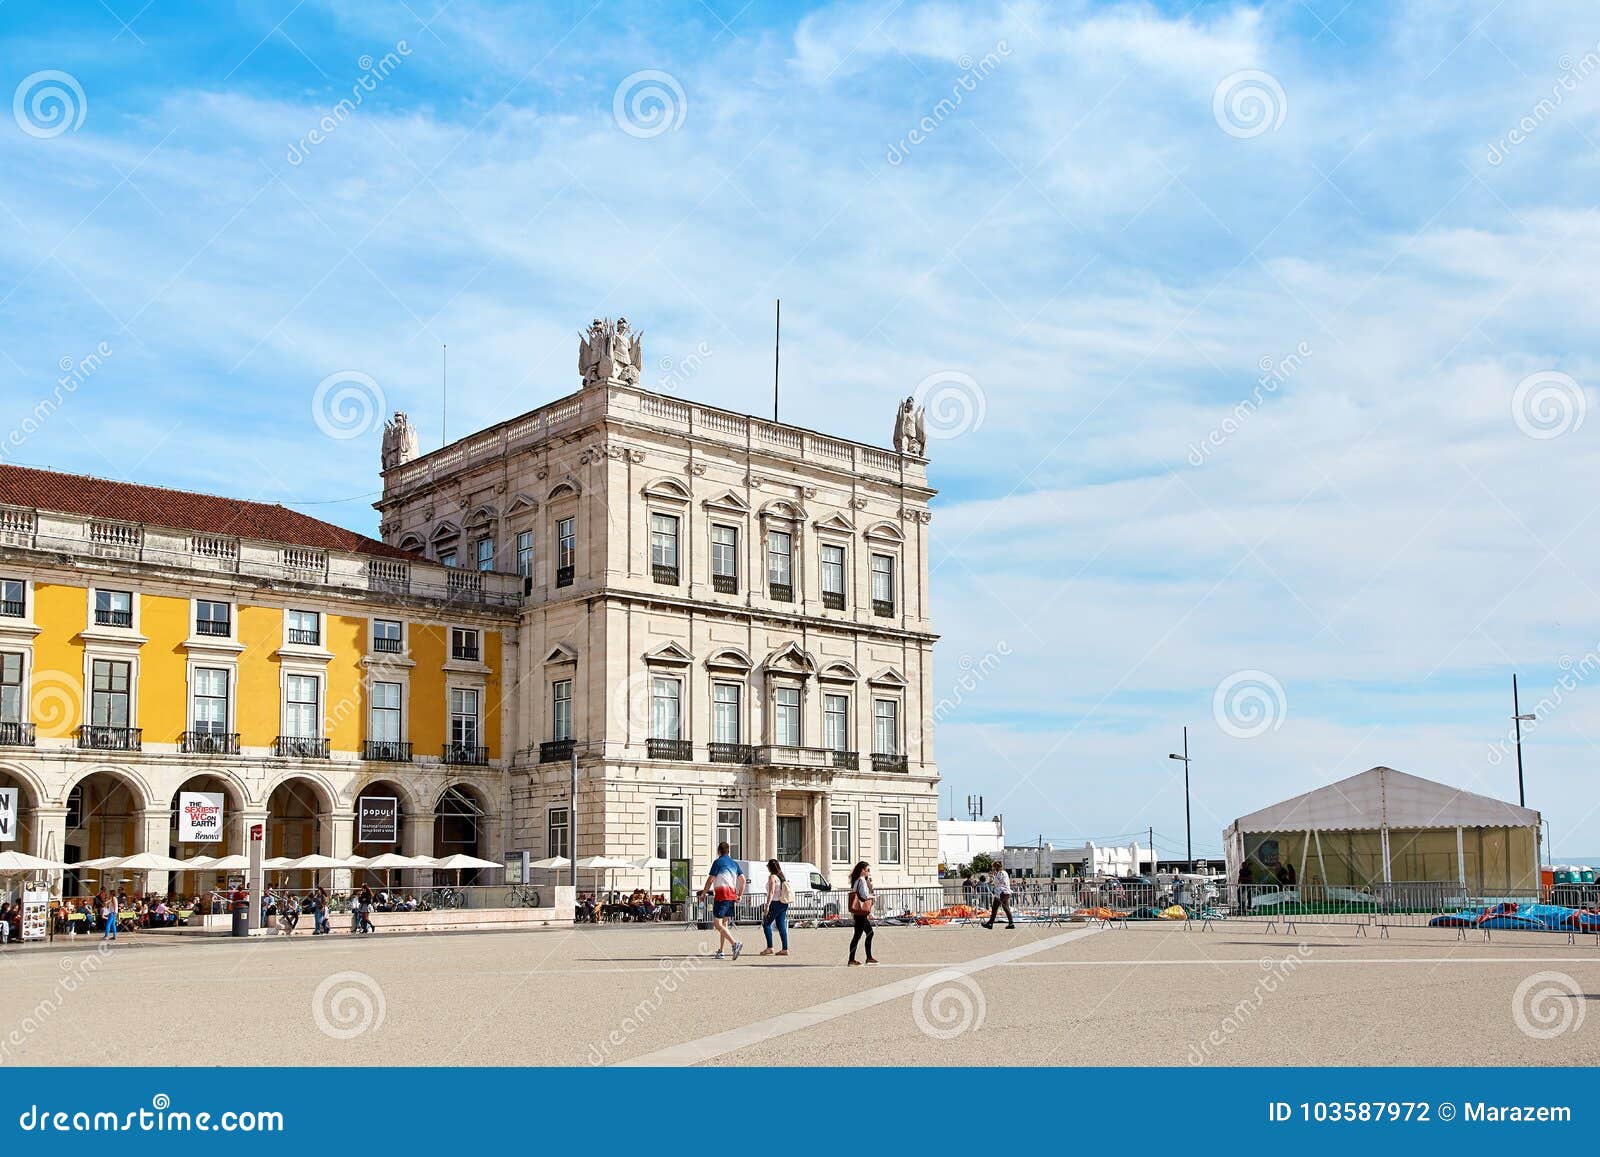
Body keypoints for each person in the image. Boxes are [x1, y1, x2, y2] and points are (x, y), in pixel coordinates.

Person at [698, 841, 745, 960]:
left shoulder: (718, 862)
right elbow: (743, 880)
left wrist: (703, 893)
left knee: (717, 924)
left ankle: (735, 944)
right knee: (724, 924)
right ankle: (721, 951)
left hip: (722, 896)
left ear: (719, 851)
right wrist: (740, 894)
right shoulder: (734, 863)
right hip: (731, 897)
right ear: (729, 851)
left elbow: (710, 880)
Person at [847, 861, 877, 965]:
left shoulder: (858, 880)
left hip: (859, 913)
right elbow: (864, 896)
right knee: (859, 935)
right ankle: (852, 959)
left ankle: (868, 957)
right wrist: (873, 896)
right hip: (861, 913)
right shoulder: (861, 880)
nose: (869, 872)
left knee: (868, 933)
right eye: (867, 870)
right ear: (862, 870)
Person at [759, 859, 791, 956]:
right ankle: (785, 948)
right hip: (783, 903)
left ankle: (770, 947)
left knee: (766, 924)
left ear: (770, 867)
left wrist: (767, 905)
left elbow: (771, 892)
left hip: (775, 903)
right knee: (781, 924)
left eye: (768, 866)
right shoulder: (781, 876)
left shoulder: (772, 877)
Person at [983, 862, 1016, 929]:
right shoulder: (1004, 872)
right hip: (1005, 892)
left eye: (993, 867)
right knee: (1006, 908)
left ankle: (990, 923)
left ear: (996, 867)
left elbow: (998, 882)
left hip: (1001, 892)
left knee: (995, 908)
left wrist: (993, 877)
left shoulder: (1000, 873)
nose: (993, 869)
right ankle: (1011, 923)